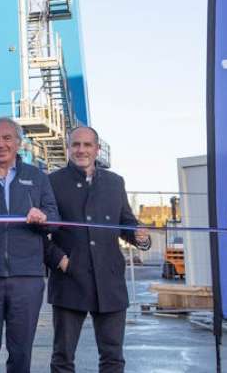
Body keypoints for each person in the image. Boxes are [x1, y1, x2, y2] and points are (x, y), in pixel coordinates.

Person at [45, 126, 150, 373]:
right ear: (69, 147)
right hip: (70, 279)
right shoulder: (52, 182)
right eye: (76, 145)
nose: (81, 150)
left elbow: (126, 223)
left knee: (113, 358)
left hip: (109, 281)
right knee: (62, 357)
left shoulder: (115, 182)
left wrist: (140, 237)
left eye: (87, 145)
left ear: (97, 149)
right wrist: (60, 260)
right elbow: (39, 233)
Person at [0, 117, 59, 373]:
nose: (0, 144)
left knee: (21, 351)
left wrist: (43, 219)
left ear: (18, 142)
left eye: (7, 138)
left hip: (26, 278)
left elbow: (55, 220)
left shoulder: (37, 177)